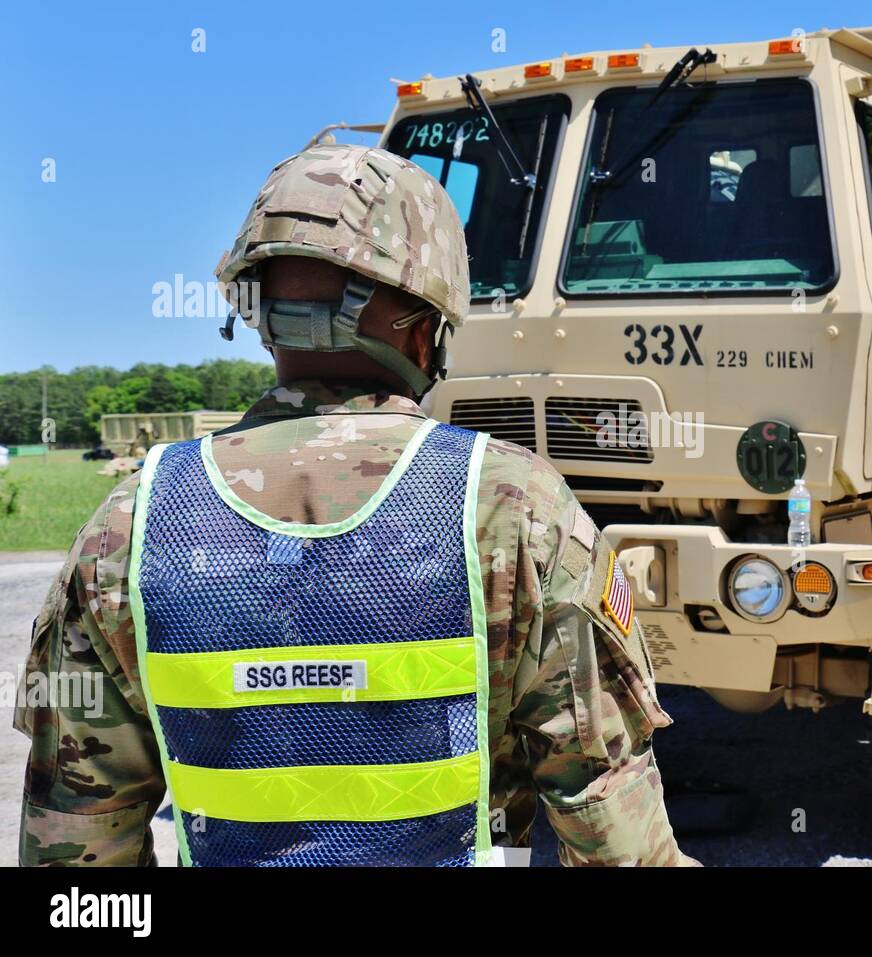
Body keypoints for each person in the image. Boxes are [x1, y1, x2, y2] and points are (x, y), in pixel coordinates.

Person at [15, 144, 693, 867]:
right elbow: (616, 832)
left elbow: (75, 846)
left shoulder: (130, 523)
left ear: (258, 311)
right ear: (428, 324)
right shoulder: (515, 507)